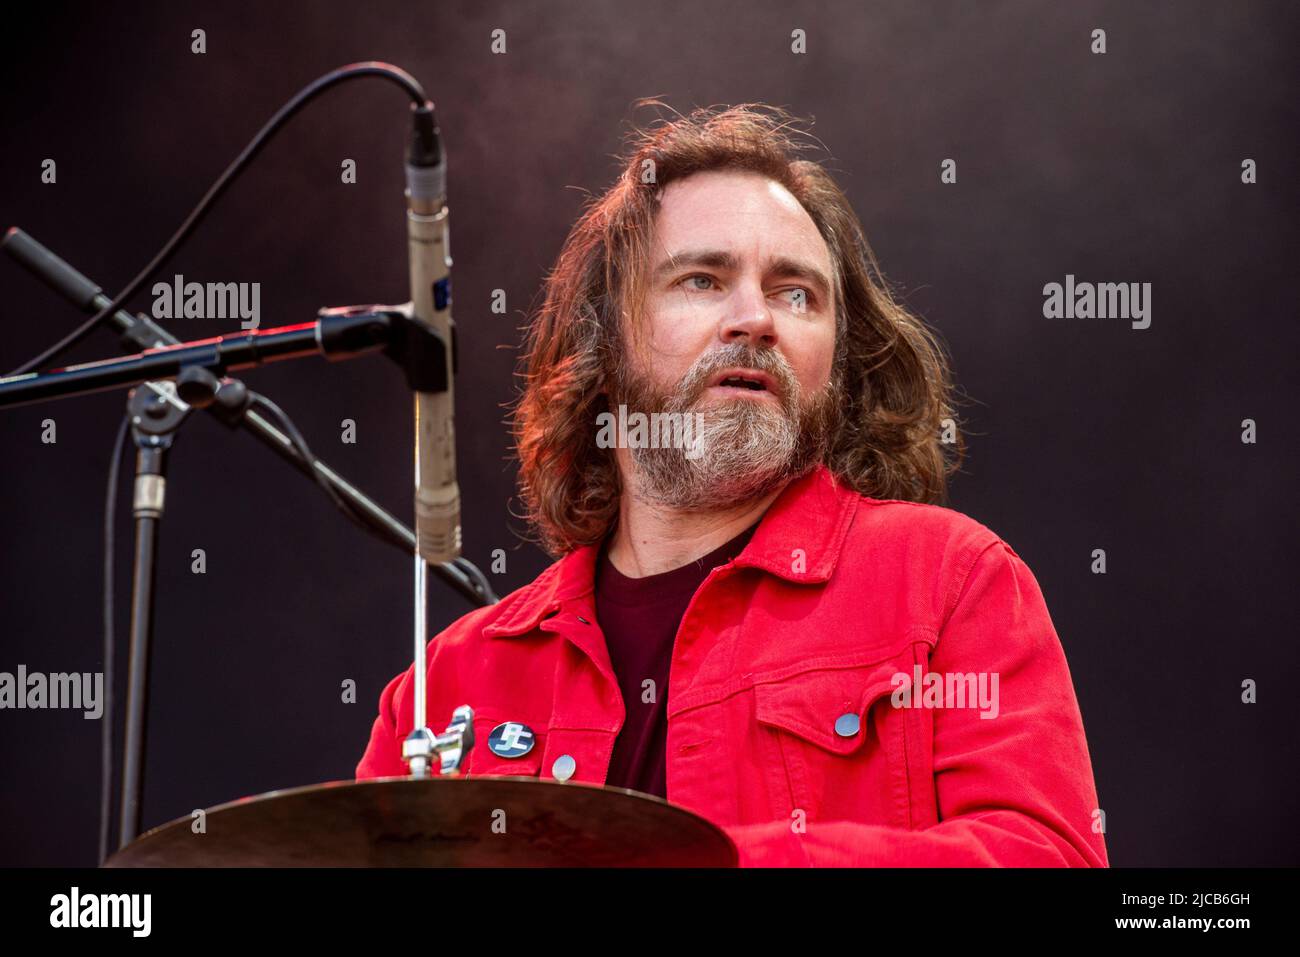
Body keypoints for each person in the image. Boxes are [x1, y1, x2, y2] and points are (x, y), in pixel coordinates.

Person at [356, 101, 1109, 867]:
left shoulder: (951, 581)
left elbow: (1045, 856)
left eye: (796, 294)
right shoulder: (447, 684)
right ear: (603, 338)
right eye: (703, 279)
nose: (754, 318)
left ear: (837, 365)